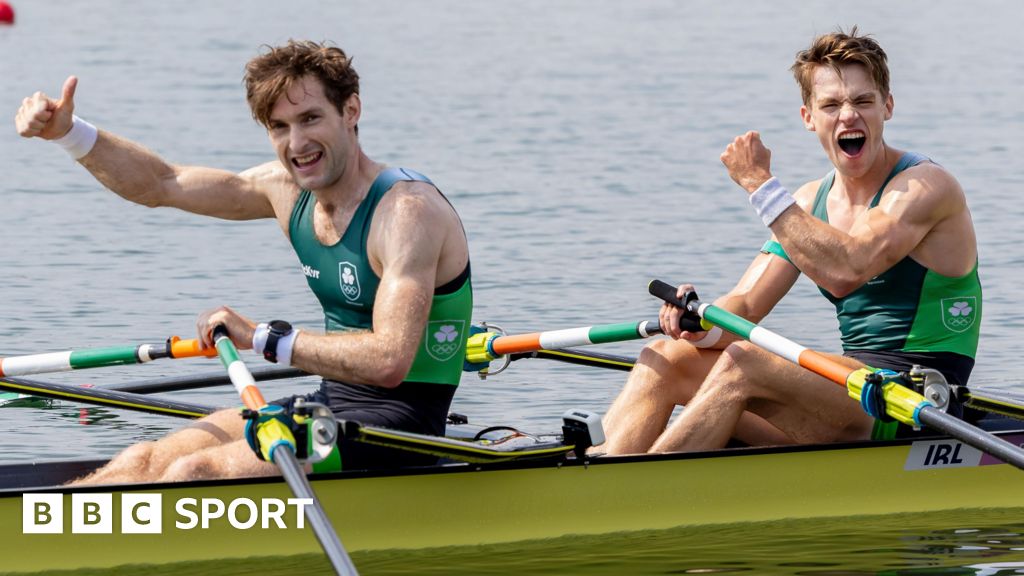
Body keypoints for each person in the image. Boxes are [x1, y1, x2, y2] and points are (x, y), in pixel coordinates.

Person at [15, 40, 473, 482]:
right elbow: (162, 183)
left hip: (402, 430)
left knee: (193, 472)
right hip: (329, 405)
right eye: (279, 127)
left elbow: (389, 362)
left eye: (310, 118)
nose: (297, 143)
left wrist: (260, 337)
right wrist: (70, 135)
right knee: (141, 459)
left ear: (350, 111)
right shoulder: (286, 190)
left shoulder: (406, 212)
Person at [601, 28, 981, 454]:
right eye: (832, 105)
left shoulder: (924, 186)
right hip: (849, 388)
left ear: (887, 107)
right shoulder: (805, 204)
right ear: (808, 118)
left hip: (913, 399)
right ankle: (601, 469)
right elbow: (745, 306)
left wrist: (759, 185)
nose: (848, 116)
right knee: (665, 357)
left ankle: (643, 490)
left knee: (744, 363)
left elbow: (847, 270)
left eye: (862, 101)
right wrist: (696, 323)